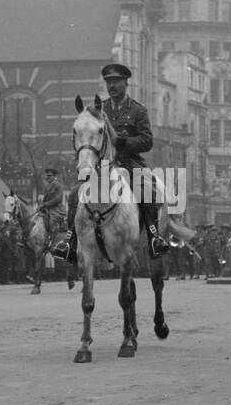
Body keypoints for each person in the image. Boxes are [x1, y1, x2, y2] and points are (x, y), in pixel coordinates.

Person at [53, 62, 168, 262]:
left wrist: (125, 142)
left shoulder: (138, 111)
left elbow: (147, 141)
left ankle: (153, 236)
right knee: (74, 194)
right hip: (101, 167)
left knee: (147, 190)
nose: (112, 86)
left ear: (125, 83)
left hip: (130, 163)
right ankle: (70, 241)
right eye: (109, 82)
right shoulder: (99, 109)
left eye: (116, 82)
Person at [37, 167, 66, 244]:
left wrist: (45, 204)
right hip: (48, 209)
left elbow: (58, 199)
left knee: (52, 221)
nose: (47, 177)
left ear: (54, 176)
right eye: (47, 176)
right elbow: (45, 198)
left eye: (50, 176)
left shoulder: (58, 186)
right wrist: (41, 206)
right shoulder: (47, 186)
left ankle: (52, 241)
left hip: (57, 209)